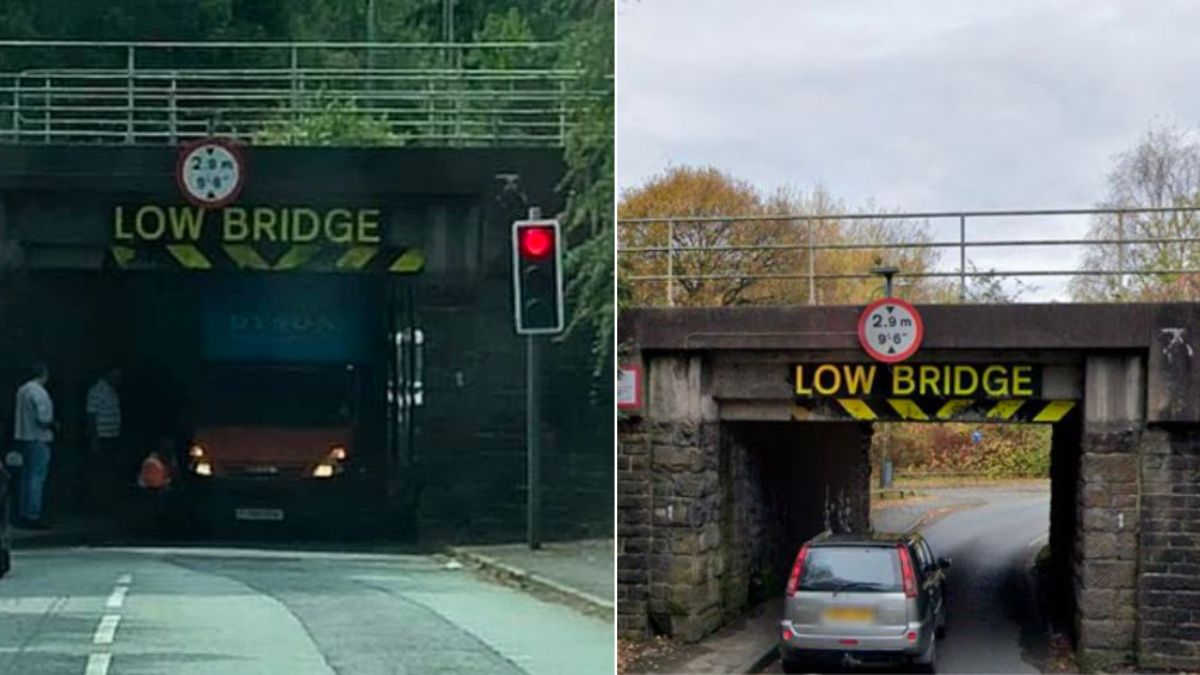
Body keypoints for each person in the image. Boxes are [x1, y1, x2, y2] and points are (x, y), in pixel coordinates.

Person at [13, 364, 54, 530]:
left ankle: (23, 513)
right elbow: (43, 417)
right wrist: (54, 424)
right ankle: (33, 514)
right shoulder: (39, 392)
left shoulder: (22, 390)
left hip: (24, 436)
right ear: (44, 374)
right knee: (37, 477)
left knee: (26, 476)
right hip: (39, 437)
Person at [86, 366, 123, 505]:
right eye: (116, 375)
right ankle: (97, 501)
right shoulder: (97, 390)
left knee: (109, 470)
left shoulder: (112, 390)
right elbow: (91, 416)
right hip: (102, 437)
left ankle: (106, 499)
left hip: (112, 435)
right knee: (100, 471)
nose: (118, 379)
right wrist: (94, 439)